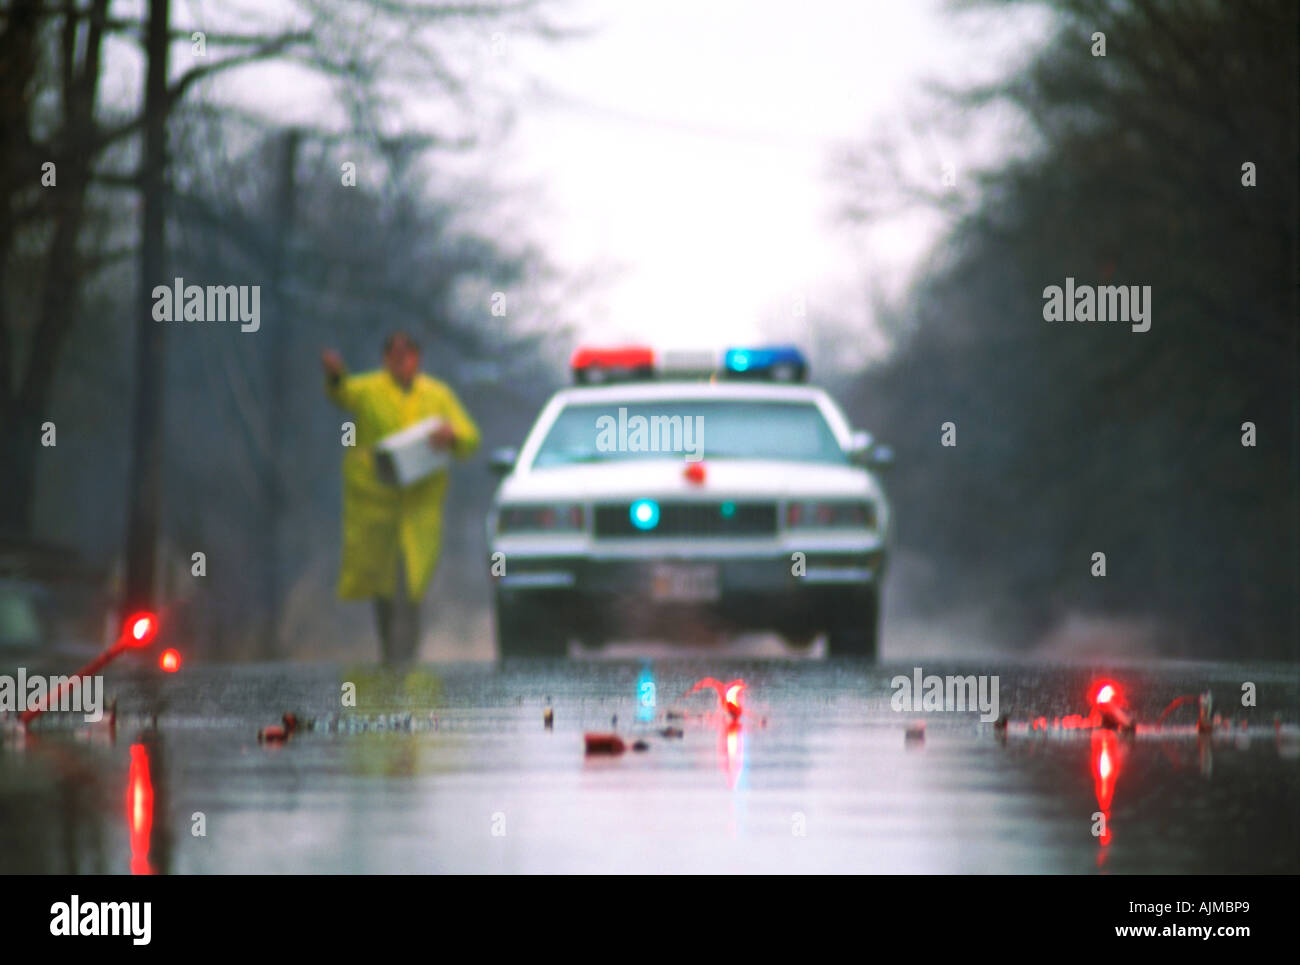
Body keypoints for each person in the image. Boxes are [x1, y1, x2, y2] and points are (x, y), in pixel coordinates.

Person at [321, 332, 480, 663]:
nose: (401, 361)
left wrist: (452, 436)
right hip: (376, 506)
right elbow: (342, 392)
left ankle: (406, 654)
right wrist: (335, 374)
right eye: (395, 355)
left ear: (417, 359)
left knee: (412, 582)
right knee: (384, 583)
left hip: (420, 508)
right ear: (385, 359)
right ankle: (390, 653)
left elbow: (469, 437)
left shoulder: (437, 395)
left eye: (407, 355)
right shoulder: (369, 390)